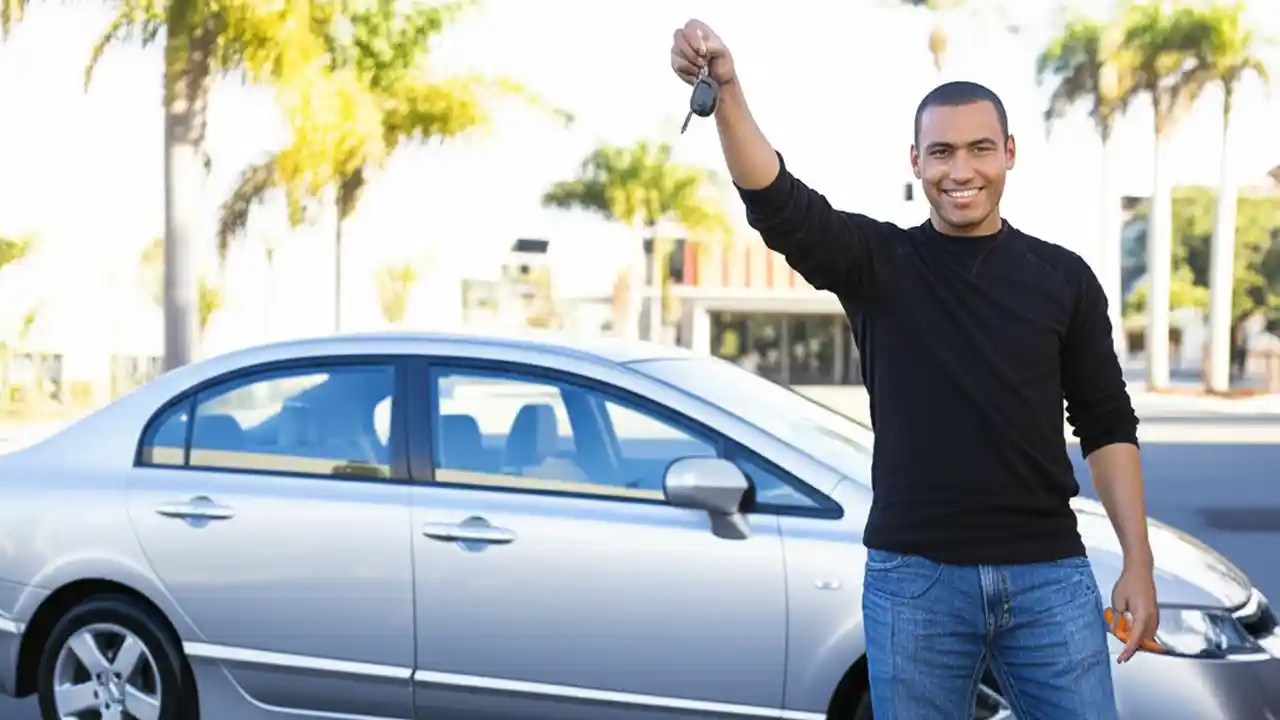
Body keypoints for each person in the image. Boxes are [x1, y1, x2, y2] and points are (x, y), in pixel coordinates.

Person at [669, 18, 1159, 720]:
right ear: (916, 161)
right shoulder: (877, 263)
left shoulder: (1064, 278)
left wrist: (1136, 562)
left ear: (1010, 153)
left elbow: (1106, 423)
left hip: (1048, 575)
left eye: (980, 149)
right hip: (916, 582)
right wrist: (732, 90)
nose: (961, 171)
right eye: (943, 153)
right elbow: (776, 201)